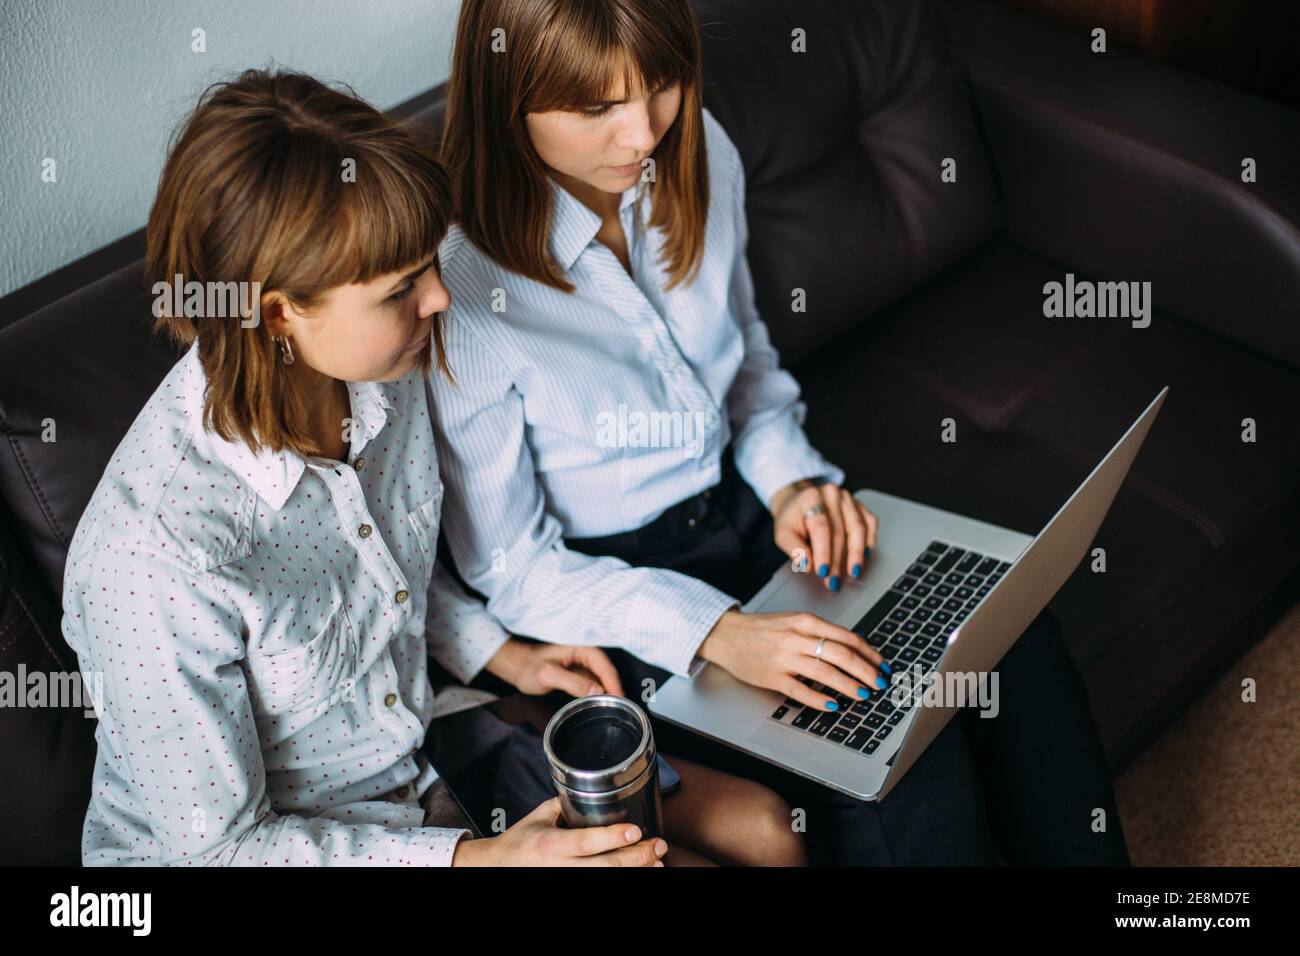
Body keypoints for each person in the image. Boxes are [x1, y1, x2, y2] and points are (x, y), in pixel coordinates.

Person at [431, 0, 1131, 865]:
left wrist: (794, 481)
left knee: (1011, 637)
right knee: (895, 765)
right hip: (617, 591)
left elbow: (747, 366)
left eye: (661, 85)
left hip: (742, 503)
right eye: (594, 109)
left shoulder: (703, 153)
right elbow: (513, 568)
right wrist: (718, 633)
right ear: (509, 103)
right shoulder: (461, 291)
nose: (642, 133)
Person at [60, 68, 803, 867]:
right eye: (401, 287)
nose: (442, 299)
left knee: (764, 827)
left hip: (429, 747)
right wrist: (474, 862)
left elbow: (372, 567)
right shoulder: (150, 561)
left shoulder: (387, 368)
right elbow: (219, 852)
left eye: (429, 264)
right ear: (278, 312)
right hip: (298, 844)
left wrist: (495, 650)